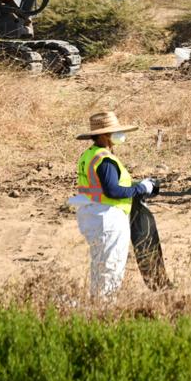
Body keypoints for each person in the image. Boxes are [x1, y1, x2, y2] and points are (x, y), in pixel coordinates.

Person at [71, 111, 156, 298]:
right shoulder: (104, 159)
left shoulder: (89, 155)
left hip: (93, 214)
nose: (118, 135)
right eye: (113, 132)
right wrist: (142, 188)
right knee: (110, 269)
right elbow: (113, 191)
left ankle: (95, 309)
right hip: (108, 218)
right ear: (103, 135)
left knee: (100, 267)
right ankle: (103, 313)